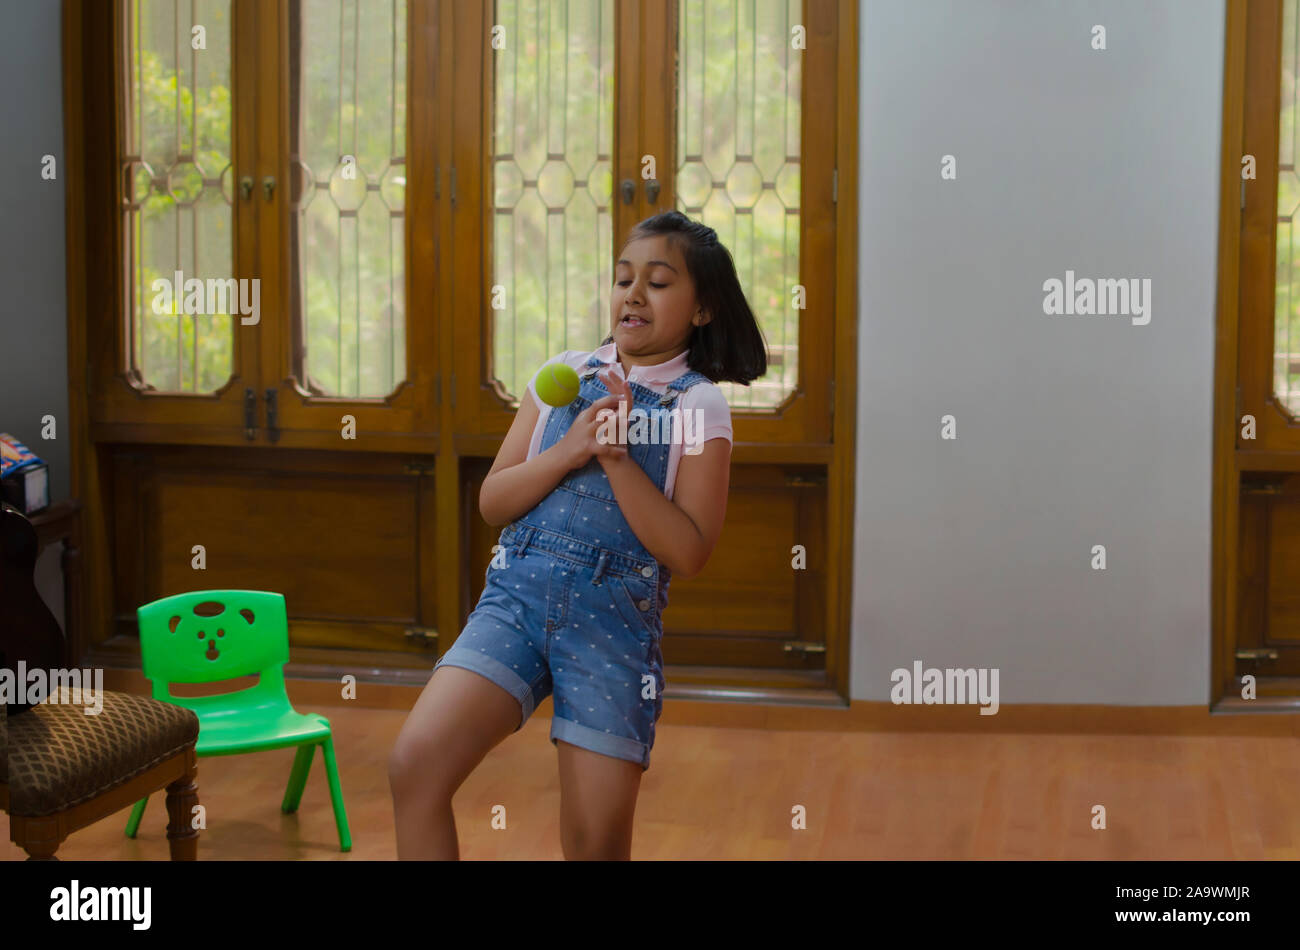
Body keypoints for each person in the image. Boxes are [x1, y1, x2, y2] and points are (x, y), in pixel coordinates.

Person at [389, 210, 767, 859]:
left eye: (658, 281)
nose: (633, 294)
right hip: (515, 602)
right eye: (624, 279)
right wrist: (570, 450)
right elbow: (492, 501)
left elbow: (689, 549)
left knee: (594, 844)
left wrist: (618, 459)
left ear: (702, 308)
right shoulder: (560, 375)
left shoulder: (698, 406)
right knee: (414, 766)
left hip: (613, 626)